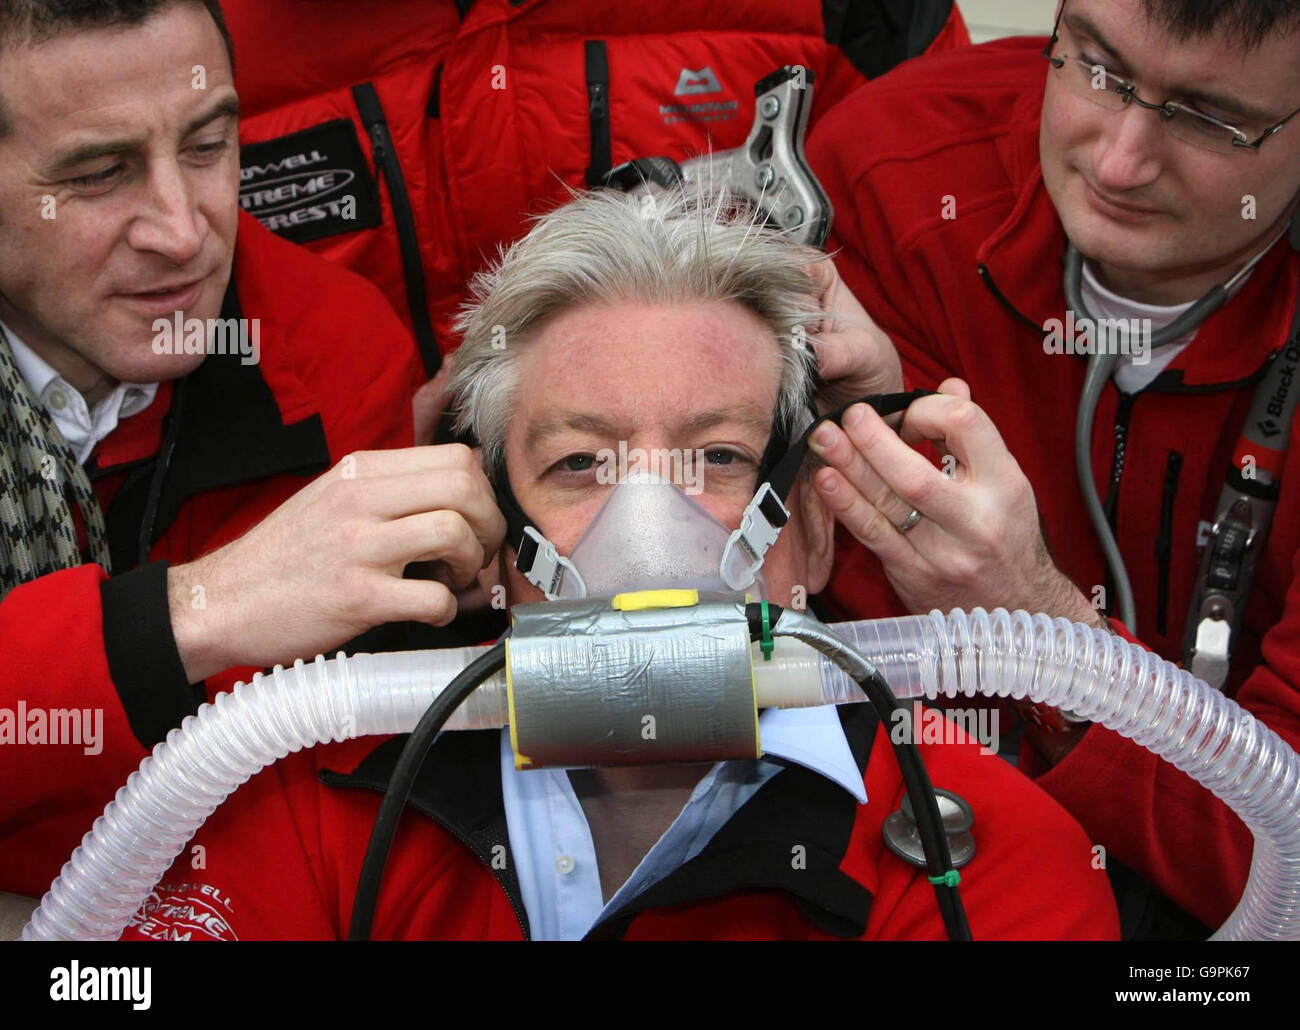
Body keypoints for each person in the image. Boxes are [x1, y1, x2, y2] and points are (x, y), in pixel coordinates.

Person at [88, 187, 1118, 941]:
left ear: (810, 528)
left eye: (715, 456)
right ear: (490, 543)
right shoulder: (318, 803)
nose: (648, 529)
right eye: (580, 462)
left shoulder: (971, 847)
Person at [804, 0, 1300, 931]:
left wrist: (1042, 621)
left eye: (1210, 119)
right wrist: (870, 437)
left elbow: (1289, 855)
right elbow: (851, 680)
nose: (1119, 161)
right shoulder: (893, 171)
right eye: (1098, 67)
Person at [0, 0, 504, 899]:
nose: (185, 231)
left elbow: (335, 807)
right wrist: (192, 612)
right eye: (100, 173)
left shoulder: (334, 350)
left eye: (207, 146)